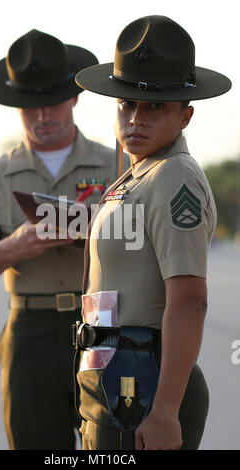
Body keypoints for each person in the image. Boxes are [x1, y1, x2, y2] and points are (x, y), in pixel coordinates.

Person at [0, 29, 119, 450]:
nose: (42, 115)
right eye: (29, 106)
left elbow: (150, 242)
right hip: (30, 332)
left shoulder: (120, 163)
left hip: (107, 324)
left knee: (115, 445)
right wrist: (10, 248)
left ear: (75, 96)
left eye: (51, 102)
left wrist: (98, 233)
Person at [73, 15, 231, 450]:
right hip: (114, 373)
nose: (136, 118)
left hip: (142, 385)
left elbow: (190, 301)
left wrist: (163, 412)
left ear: (186, 116)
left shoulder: (174, 177)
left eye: (155, 106)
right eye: (126, 104)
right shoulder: (140, 174)